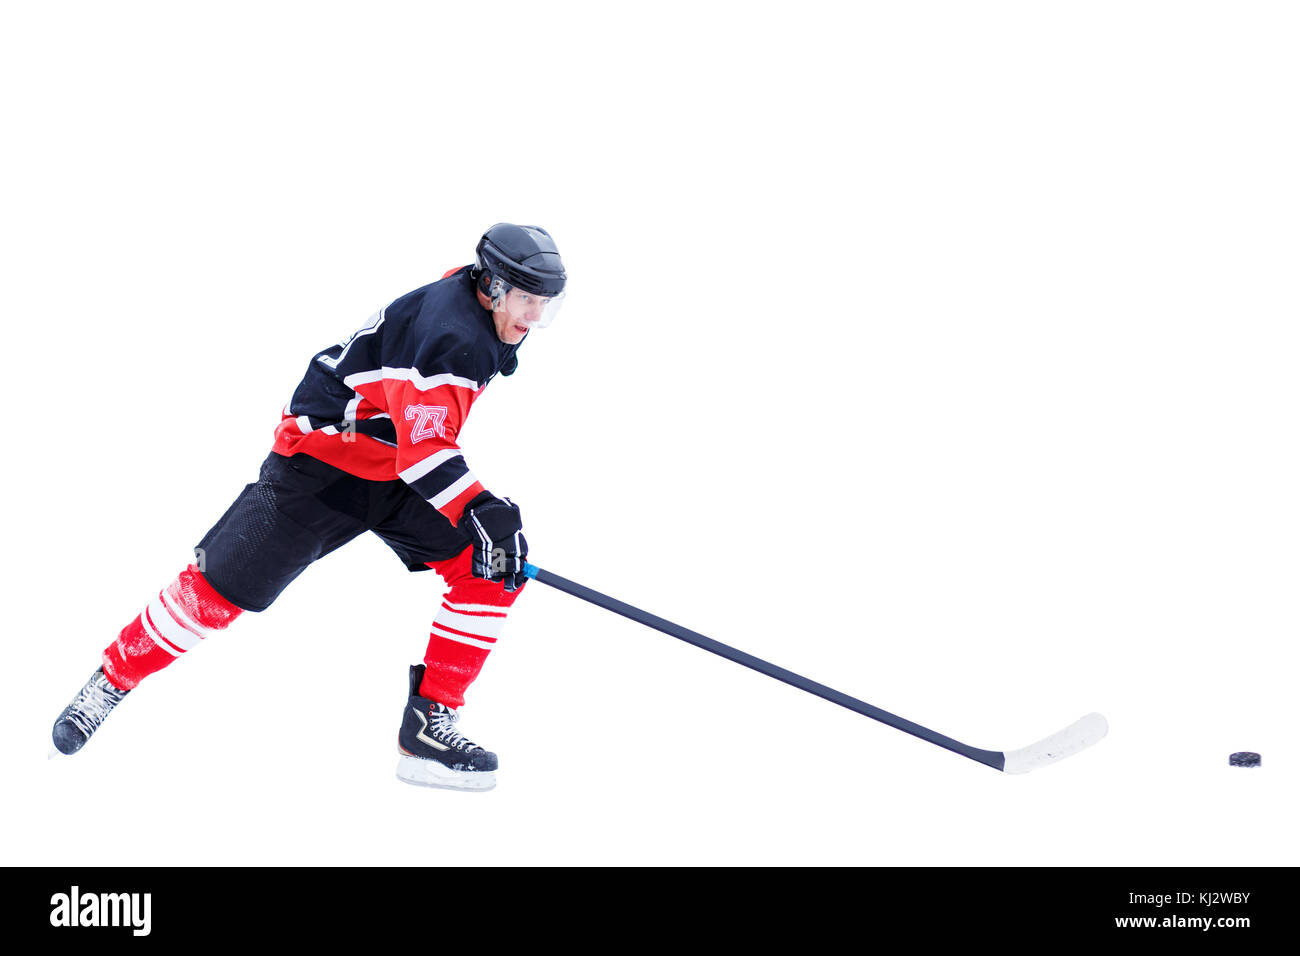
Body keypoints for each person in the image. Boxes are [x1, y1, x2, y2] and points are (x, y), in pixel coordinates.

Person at [50, 223, 567, 792]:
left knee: (488, 569)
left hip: (391, 464)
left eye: (545, 305)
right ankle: (111, 680)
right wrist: (483, 509)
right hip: (321, 467)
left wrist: (483, 524)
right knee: (214, 594)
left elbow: (420, 438)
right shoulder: (454, 338)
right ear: (491, 287)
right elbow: (427, 451)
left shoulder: (474, 307)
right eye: (525, 300)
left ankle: (428, 729)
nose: (532, 319)